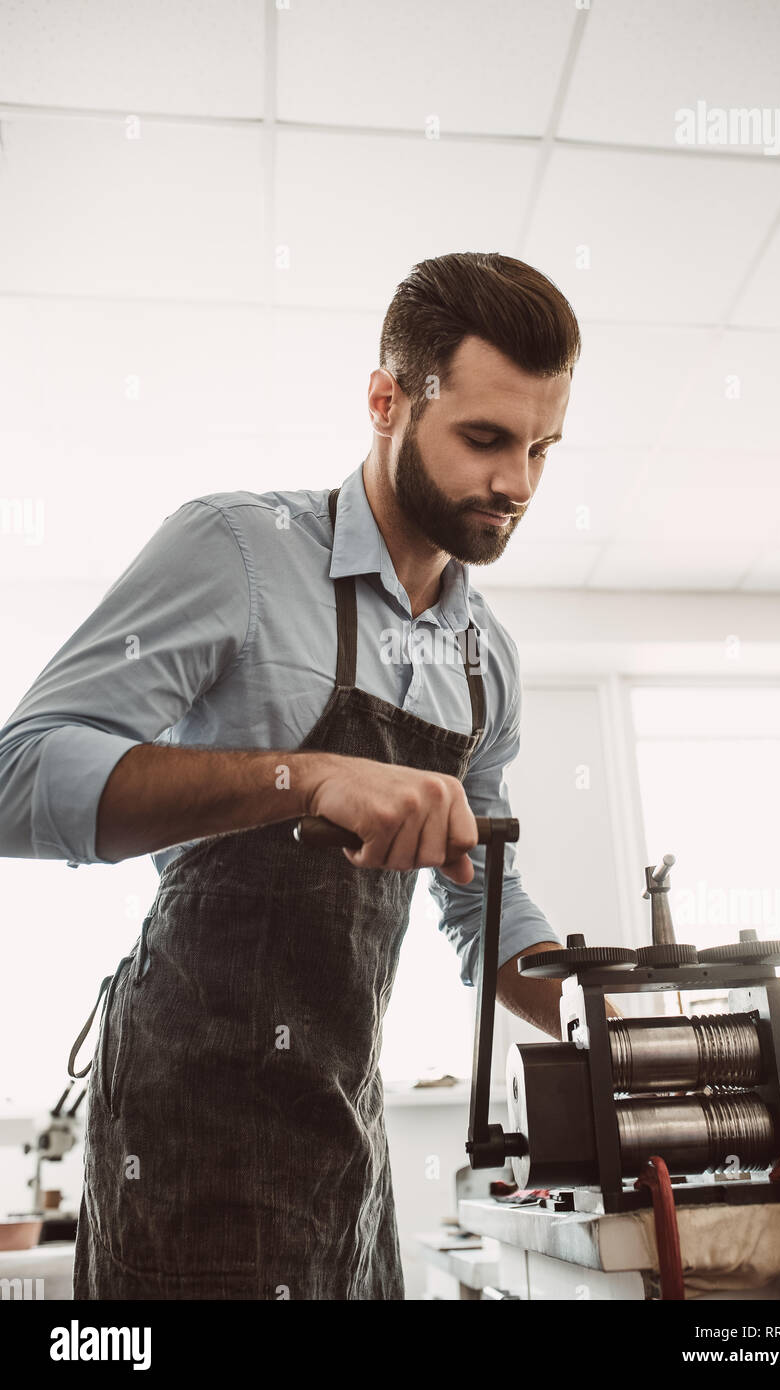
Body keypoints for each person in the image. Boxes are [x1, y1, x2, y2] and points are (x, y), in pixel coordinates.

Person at [0, 250, 616, 1300]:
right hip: (184, 1119)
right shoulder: (239, 550)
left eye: (541, 449)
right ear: (387, 400)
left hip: (342, 1128)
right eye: (484, 438)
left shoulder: (487, 664)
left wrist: (614, 1018)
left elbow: (486, 909)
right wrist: (306, 777)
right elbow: (20, 777)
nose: (514, 482)